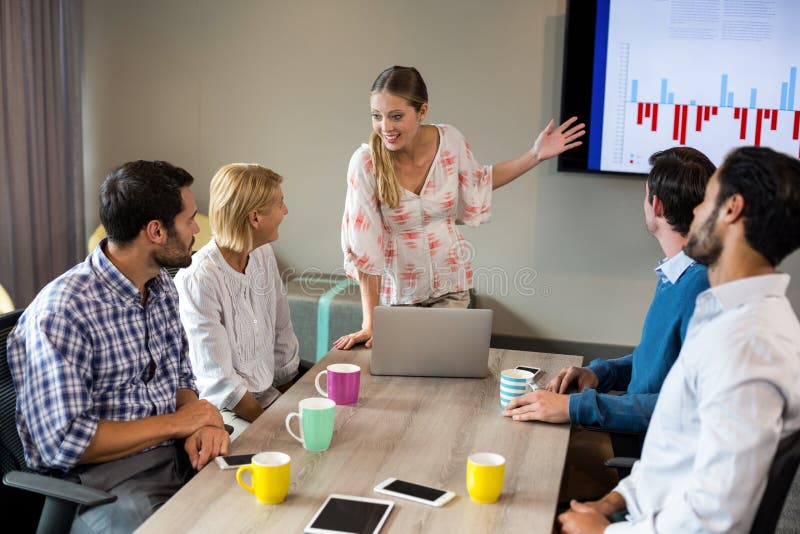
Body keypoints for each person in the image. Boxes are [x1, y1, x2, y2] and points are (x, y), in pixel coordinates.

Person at [558, 146, 800, 533]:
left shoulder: (749, 347)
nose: (695, 212)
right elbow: (672, 450)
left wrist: (604, 532)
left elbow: (715, 519)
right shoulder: (726, 316)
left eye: (705, 200)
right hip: (645, 510)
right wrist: (609, 503)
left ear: (730, 209)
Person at [7, 160, 229, 533]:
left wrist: (199, 424)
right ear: (156, 231)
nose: (196, 229)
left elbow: (180, 377)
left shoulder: (160, 287)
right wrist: (180, 423)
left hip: (177, 457)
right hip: (105, 485)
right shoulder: (63, 311)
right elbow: (65, 441)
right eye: (190, 219)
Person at [502, 147, 714, 499]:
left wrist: (575, 407)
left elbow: (680, 406)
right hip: (633, 433)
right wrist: (600, 374)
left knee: (529, 476)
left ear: (657, 206)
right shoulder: (680, 274)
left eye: (645, 196)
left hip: (650, 457)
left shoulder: (701, 287)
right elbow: (661, 360)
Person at [335, 65, 585, 350]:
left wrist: (535, 155)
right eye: (376, 116)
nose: (385, 128)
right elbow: (364, 246)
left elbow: (479, 180)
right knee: (401, 382)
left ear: (422, 111)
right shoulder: (365, 164)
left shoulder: (449, 140)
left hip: (451, 288)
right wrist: (370, 322)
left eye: (396, 116)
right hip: (399, 296)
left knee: (447, 376)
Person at [175, 163, 299, 441]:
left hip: (265, 397)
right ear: (255, 217)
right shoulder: (200, 278)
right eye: (280, 204)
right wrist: (277, 428)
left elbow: (282, 333)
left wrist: (300, 404)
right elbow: (220, 383)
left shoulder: (264, 254)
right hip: (224, 411)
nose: (286, 211)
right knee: (281, 448)